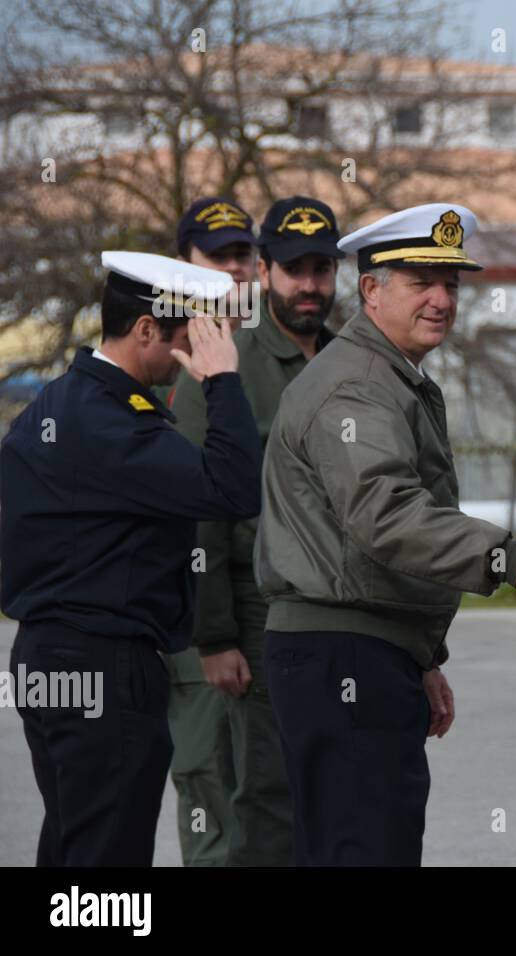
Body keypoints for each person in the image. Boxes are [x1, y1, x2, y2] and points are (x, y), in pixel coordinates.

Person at [255, 202, 516, 865]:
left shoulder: (386, 375)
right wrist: (513, 560)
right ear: (370, 290)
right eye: (421, 281)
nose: (442, 300)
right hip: (342, 658)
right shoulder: (357, 386)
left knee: (362, 844)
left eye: (451, 284)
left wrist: (419, 654)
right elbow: (387, 515)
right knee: (363, 850)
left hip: (360, 651)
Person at [1, 251, 261, 866]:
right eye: (186, 340)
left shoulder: (58, 404)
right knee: (108, 860)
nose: (191, 356)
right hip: (104, 661)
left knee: (75, 842)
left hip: (48, 653)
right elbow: (232, 490)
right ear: (146, 329)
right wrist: (223, 381)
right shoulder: (112, 422)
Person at [169, 196, 344, 866]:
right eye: (294, 269)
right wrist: (213, 637)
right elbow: (201, 509)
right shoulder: (223, 364)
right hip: (255, 615)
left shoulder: (352, 359)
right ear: (267, 273)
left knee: (327, 793)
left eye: (321, 269)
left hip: (341, 614)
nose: (309, 285)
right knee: (255, 798)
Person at [163, 195, 258, 866]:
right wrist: (213, 635)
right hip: (199, 620)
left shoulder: (265, 346)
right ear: (183, 265)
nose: (233, 270)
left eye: (242, 255)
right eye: (216, 257)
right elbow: (198, 508)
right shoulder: (177, 354)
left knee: (262, 790)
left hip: (262, 608)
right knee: (210, 783)